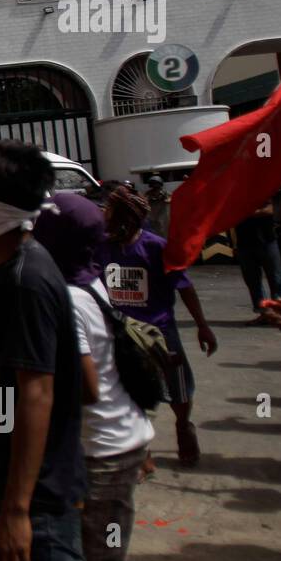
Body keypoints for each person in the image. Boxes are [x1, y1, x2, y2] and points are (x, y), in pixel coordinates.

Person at [0, 139, 86, 561]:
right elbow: (4, 383)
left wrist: (16, 511)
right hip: (5, 476)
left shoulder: (24, 280)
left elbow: (36, 394)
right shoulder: (2, 268)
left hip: (37, 503)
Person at [34, 193, 154, 561]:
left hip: (106, 454)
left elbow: (87, 387)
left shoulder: (67, 299)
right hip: (118, 441)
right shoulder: (89, 280)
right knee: (102, 557)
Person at [97, 185, 218, 471]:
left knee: (178, 386)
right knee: (130, 391)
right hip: (123, 334)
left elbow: (185, 287)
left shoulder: (155, 247)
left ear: (124, 216)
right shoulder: (103, 247)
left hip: (161, 332)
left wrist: (202, 325)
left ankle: (183, 425)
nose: (104, 213)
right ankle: (142, 450)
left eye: (109, 209)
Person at [235, 200, 281, 324]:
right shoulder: (235, 195)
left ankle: (280, 313)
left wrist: (249, 213)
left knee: (276, 278)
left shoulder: (262, 190)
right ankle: (264, 313)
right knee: (252, 280)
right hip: (244, 242)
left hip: (267, 240)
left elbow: (270, 209)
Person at [144, 175, 171, 239]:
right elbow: (144, 200)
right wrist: (150, 199)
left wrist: (166, 200)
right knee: (153, 230)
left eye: (156, 183)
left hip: (163, 214)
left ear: (160, 184)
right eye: (153, 183)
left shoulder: (165, 193)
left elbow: (170, 199)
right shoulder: (148, 193)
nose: (154, 185)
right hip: (152, 214)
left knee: (163, 229)